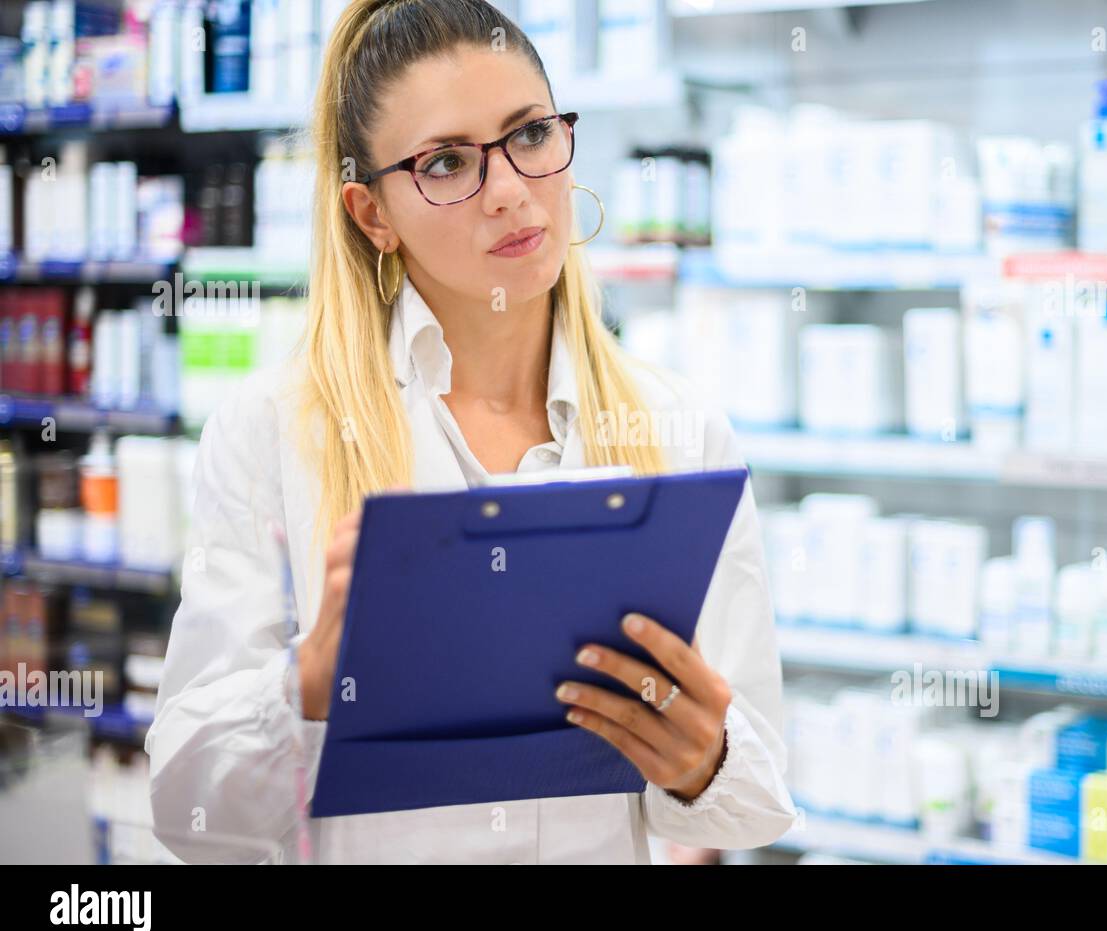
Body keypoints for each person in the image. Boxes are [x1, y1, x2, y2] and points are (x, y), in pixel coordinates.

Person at [145, 0, 796, 864]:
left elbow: (755, 803)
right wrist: (308, 679)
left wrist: (703, 762)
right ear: (371, 213)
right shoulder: (273, 432)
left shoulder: (679, 432)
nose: (510, 191)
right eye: (448, 161)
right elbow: (188, 812)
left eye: (529, 134)